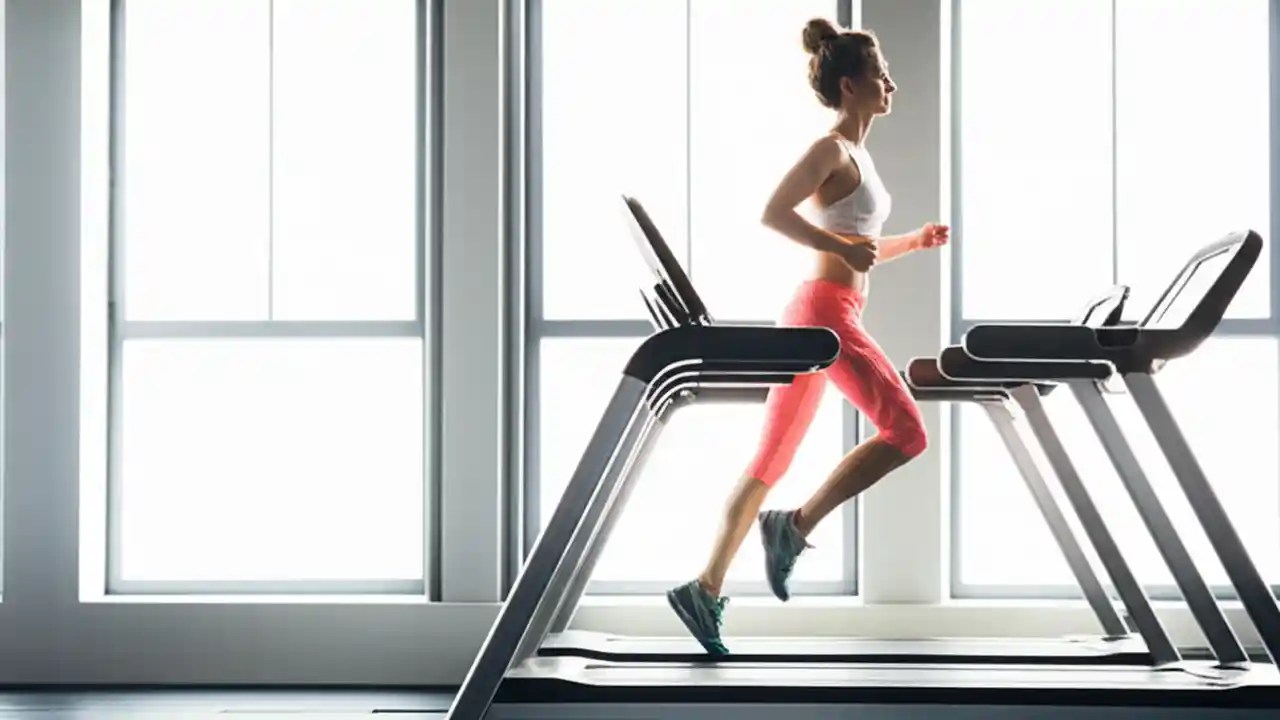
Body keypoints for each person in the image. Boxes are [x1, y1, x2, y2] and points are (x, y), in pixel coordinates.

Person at [665, 18, 950, 656]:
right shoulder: (830, 149)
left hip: (824, 309)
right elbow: (774, 212)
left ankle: (704, 588)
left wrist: (912, 242)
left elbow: (859, 247)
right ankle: (793, 527)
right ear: (850, 85)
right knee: (907, 432)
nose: (891, 84)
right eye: (880, 75)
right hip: (825, 314)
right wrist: (839, 246)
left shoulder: (860, 157)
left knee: (771, 459)